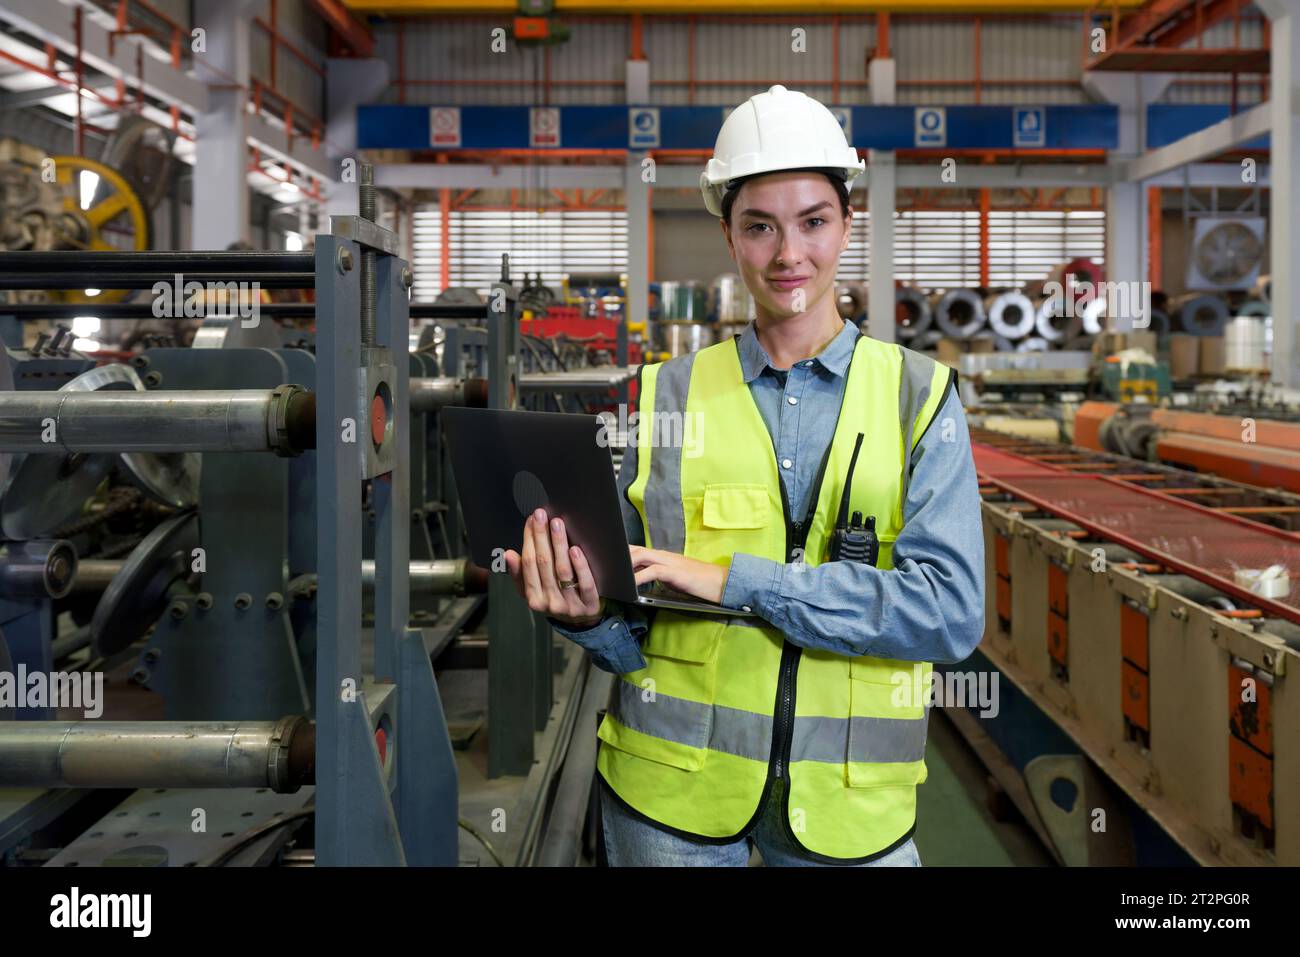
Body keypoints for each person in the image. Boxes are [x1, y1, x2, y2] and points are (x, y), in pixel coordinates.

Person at [504, 84, 985, 867]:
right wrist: (586, 616)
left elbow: (950, 615)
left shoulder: (919, 398)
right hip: (670, 800)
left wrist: (736, 580)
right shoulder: (666, 395)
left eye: (813, 222)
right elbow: (633, 631)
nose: (788, 254)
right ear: (729, 235)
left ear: (847, 224)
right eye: (759, 226)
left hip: (852, 813)